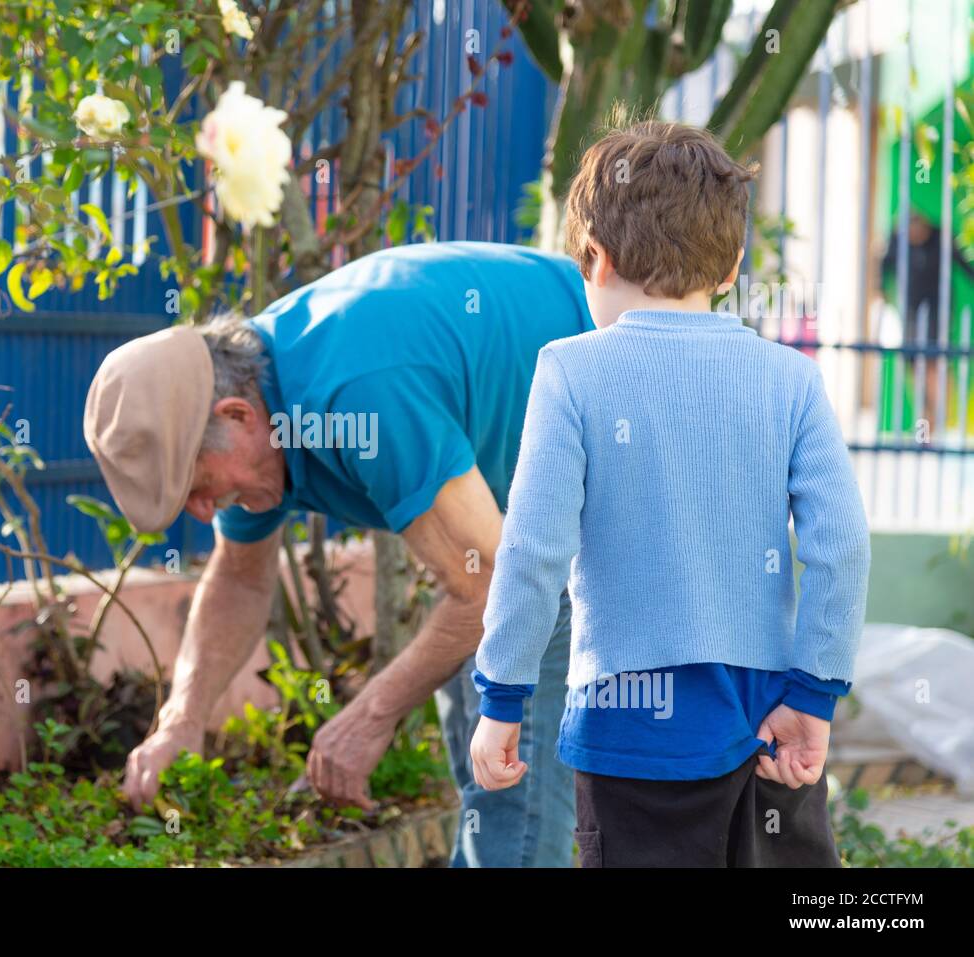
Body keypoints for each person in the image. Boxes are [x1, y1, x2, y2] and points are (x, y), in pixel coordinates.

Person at [82, 241, 593, 866]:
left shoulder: (358, 391)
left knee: (511, 777)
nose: (200, 511)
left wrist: (368, 718)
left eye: (195, 486)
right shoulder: (265, 406)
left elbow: (493, 586)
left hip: (623, 436)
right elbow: (240, 580)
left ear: (237, 415)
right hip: (514, 519)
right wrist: (182, 720)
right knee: (478, 734)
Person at [469, 122, 872, 867]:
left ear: (597, 257)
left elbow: (532, 551)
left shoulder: (570, 371)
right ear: (731, 267)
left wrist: (503, 697)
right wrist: (813, 695)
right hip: (765, 725)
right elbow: (841, 545)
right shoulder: (790, 379)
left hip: (630, 736)